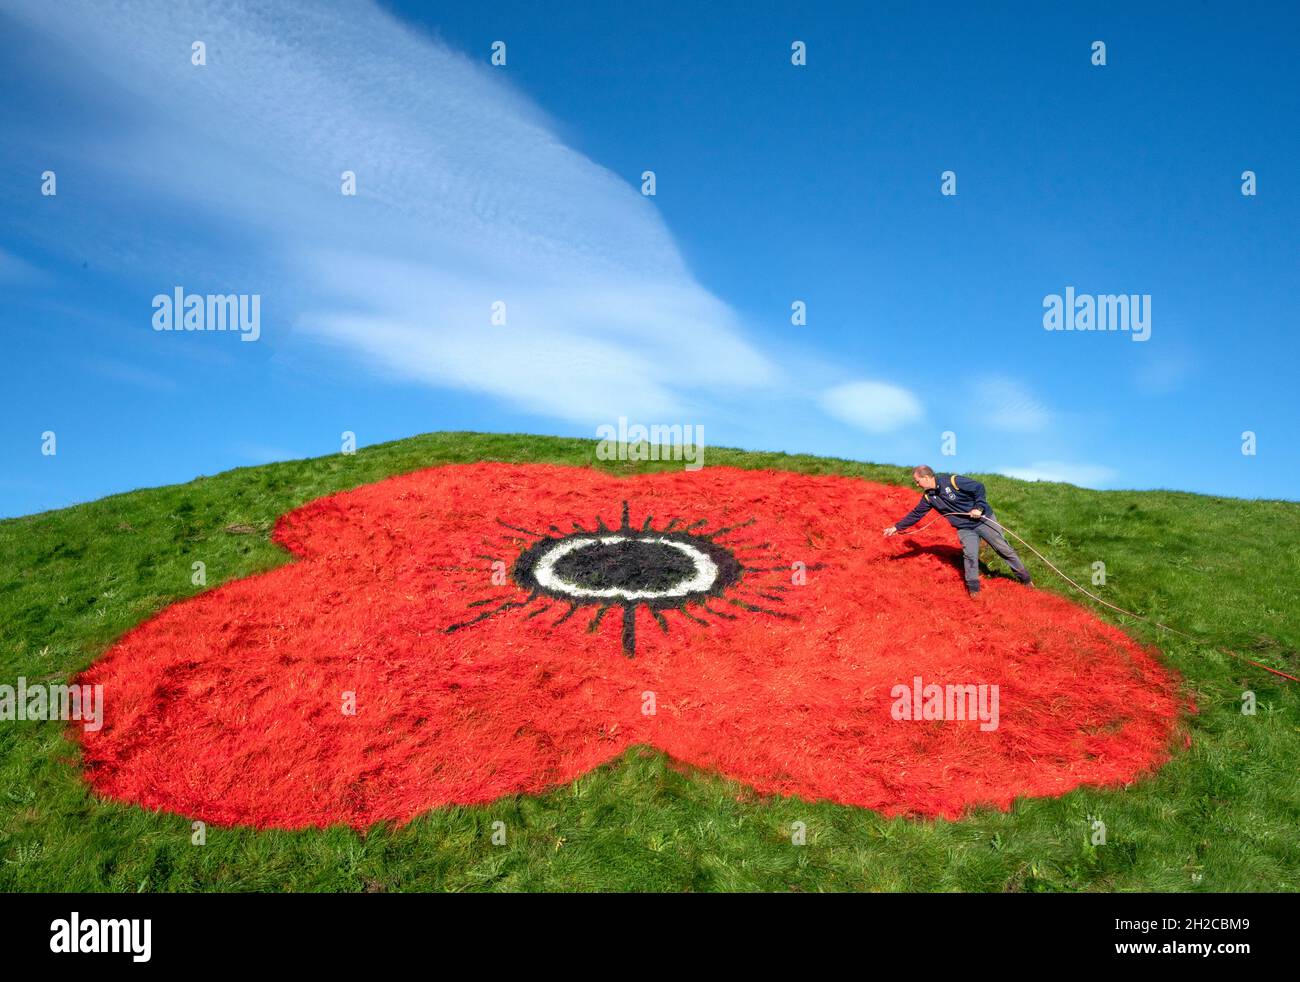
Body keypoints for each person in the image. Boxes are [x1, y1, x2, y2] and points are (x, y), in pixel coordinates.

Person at [882, 465, 1033, 597]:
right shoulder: (928, 497)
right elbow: (916, 514)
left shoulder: (953, 481)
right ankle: (974, 590)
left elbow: (978, 487)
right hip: (964, 527)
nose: (916, 484)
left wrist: (978, 508)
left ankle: (1026, 580)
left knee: (1003, 549)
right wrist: (896, 528)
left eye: (917, 480)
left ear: (926, 477)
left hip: (983, 520)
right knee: (970, 556)